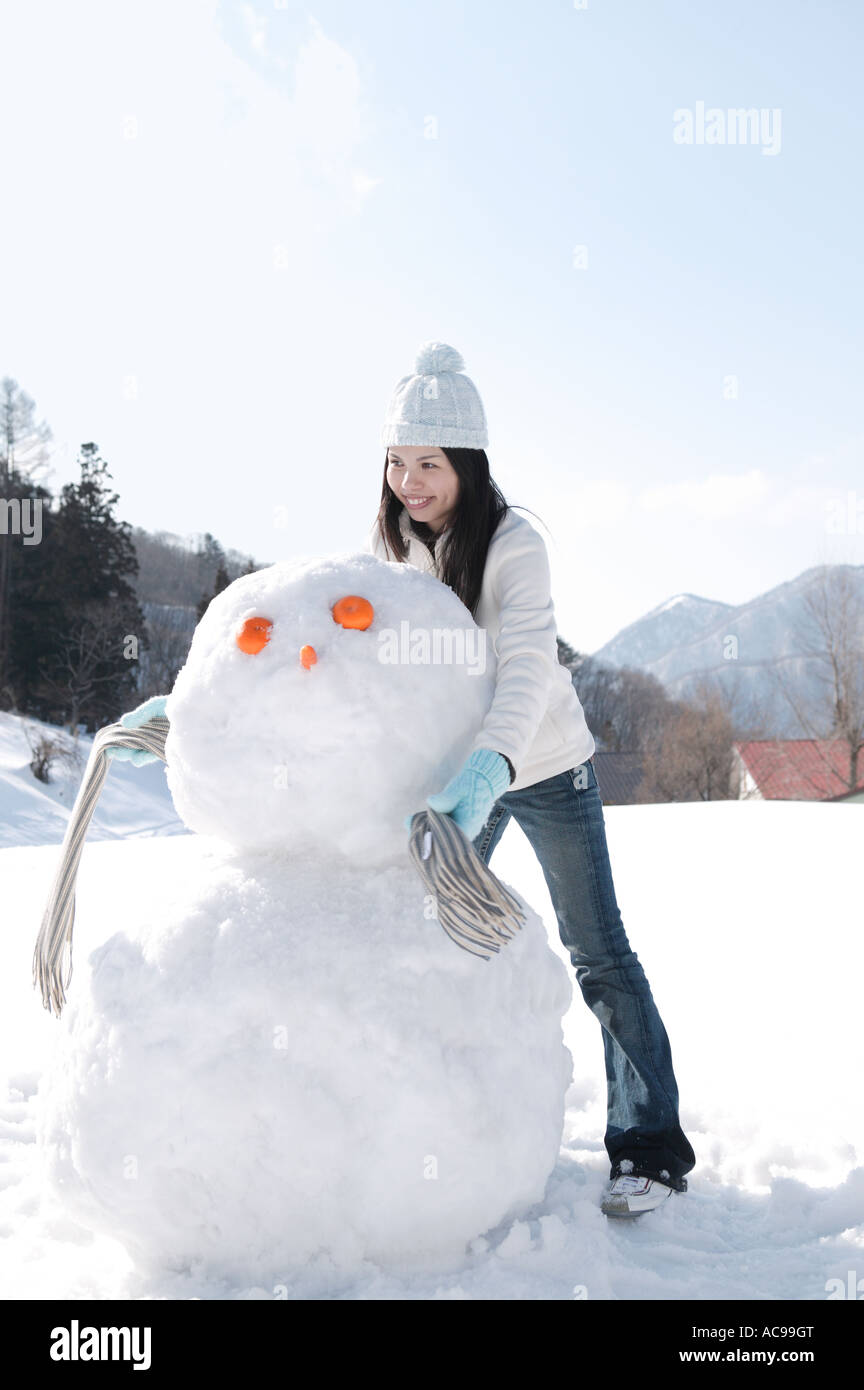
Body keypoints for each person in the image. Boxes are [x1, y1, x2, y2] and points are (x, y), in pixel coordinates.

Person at [367, 341, 695, 1217]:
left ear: (468, 465)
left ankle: (649, 1150)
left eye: (428, 463)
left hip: (545, 767)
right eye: (397, 462)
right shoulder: (395, 546)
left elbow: (525, 666)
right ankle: (427, 1128)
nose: (409, 481)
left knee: (598, 953)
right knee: (424, 928)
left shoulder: (516, 545)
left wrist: (491, 765)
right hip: (451, 774)